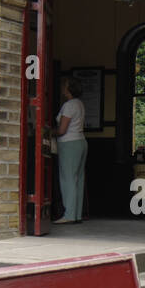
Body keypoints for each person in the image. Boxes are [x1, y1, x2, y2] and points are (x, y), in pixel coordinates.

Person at [54, 76, 87, 223]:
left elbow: (62, 130)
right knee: (78, 179)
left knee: (68, 179)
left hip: (69, 143)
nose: (62, 87)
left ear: (68, 89)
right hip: (81, 141)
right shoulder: (79, 104)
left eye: (64, 85)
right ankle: (77, 214)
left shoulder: (68, 106)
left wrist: (46, 132)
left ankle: (69, 215)